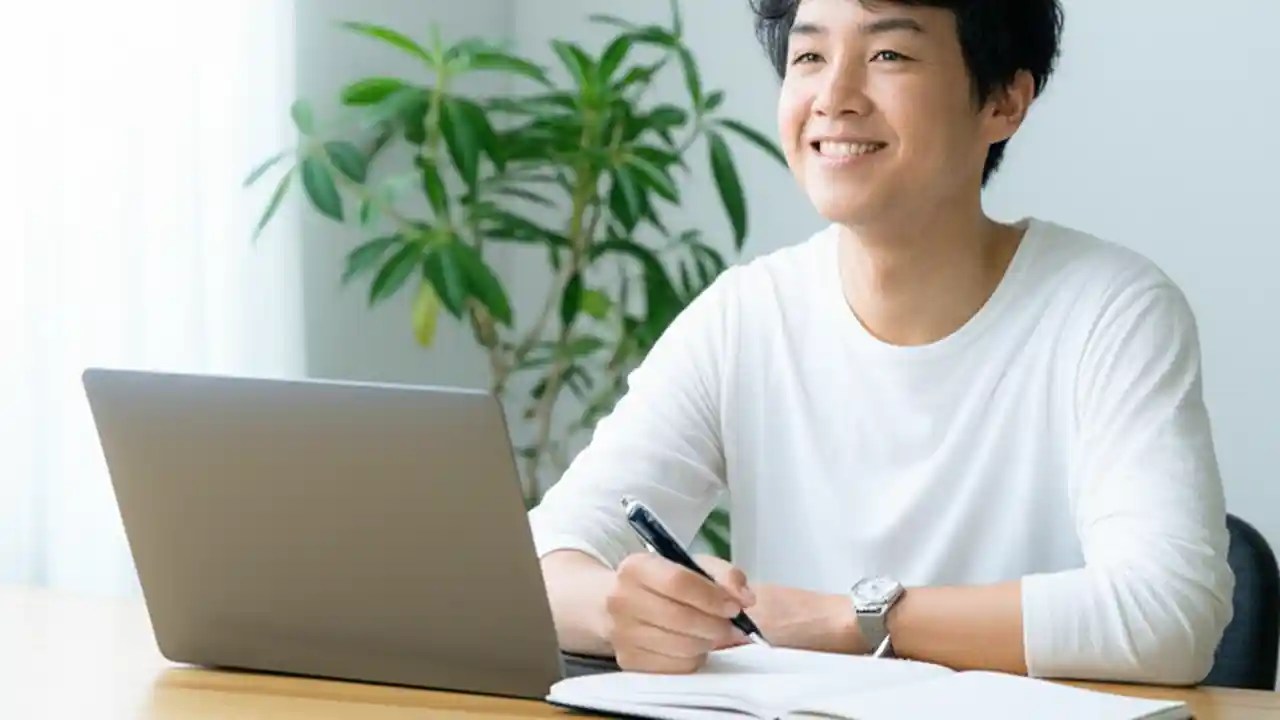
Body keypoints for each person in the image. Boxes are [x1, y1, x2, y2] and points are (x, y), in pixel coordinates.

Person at [527, 0, 1234, 685]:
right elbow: (537, 560)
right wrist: (625, 613)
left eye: (889, 54)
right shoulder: (746, 316)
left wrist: (851, 619)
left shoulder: (1109, 311)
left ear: (1003, 102)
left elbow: (1168, 616)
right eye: (809, 56)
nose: (834, 98)